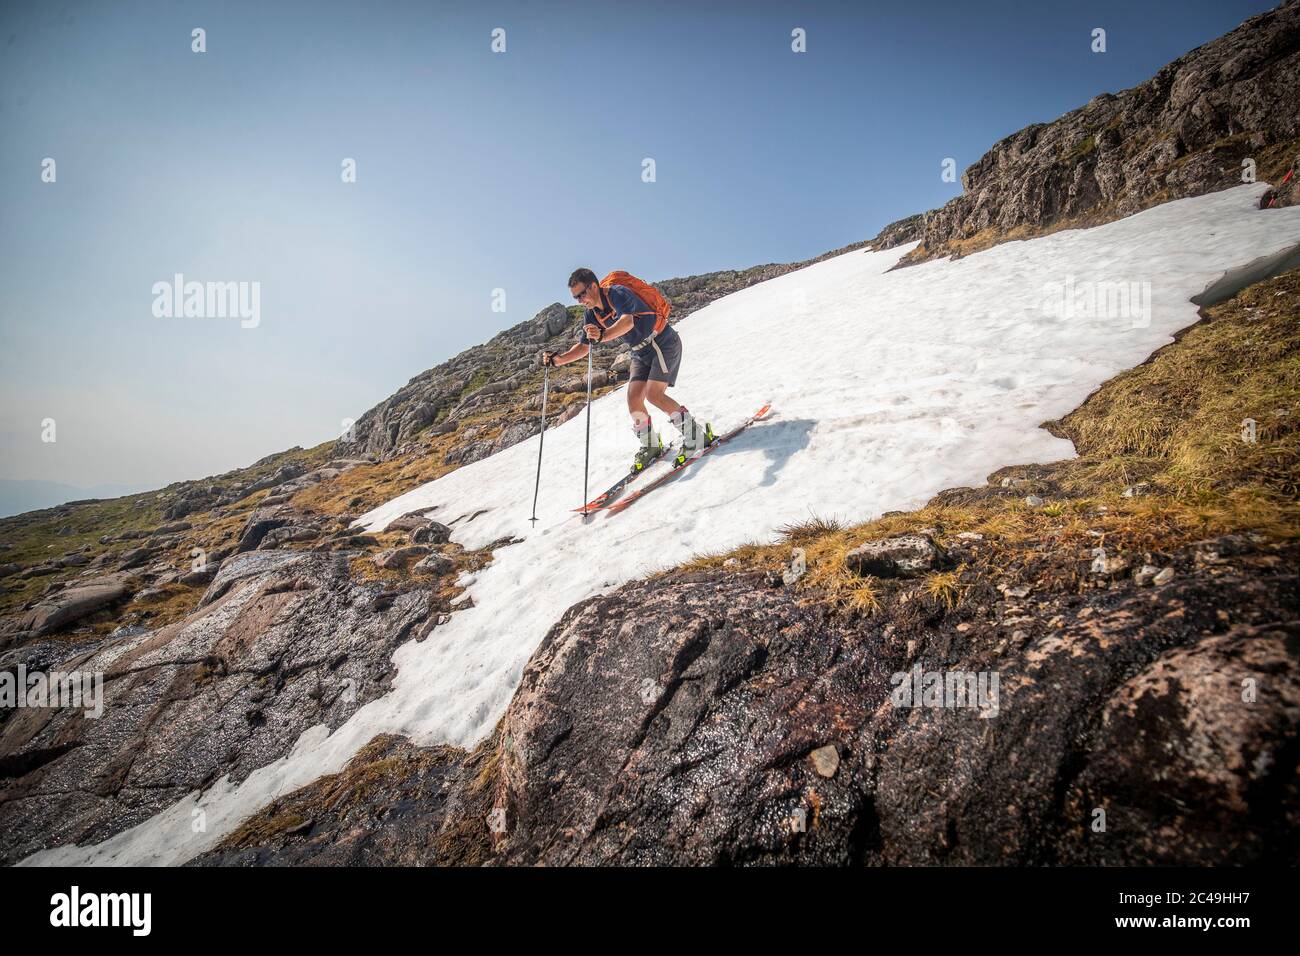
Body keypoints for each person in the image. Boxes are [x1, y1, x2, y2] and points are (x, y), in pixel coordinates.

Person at [542, 268, 714, 473]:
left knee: (654, 395)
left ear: (594, 286)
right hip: (639, 352)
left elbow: (627, 321)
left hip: (661, 342)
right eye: (576, 297)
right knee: (634, 400)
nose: (580, 300)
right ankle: (651, 445)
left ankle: (696, 437)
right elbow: (584, 346)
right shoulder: (591, 314)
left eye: (582, 294)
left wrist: (602, 336)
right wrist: (558, 360)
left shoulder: (617, 293)